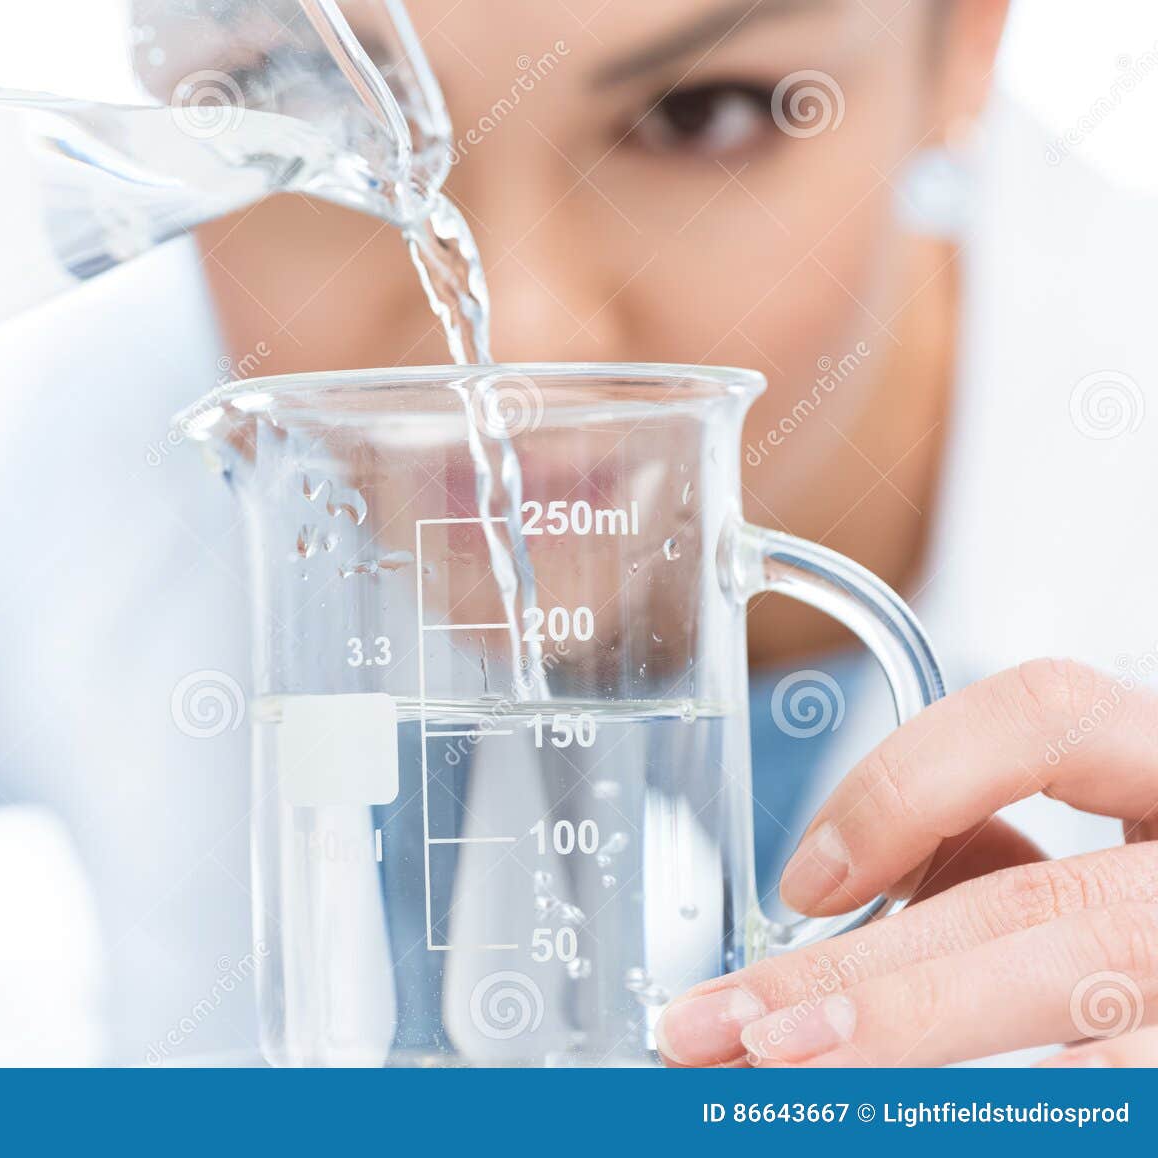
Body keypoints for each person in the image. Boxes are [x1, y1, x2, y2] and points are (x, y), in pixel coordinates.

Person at [195, 0, 1158, 1065]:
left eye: (701, 114)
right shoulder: (37, 450)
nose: (517, 353)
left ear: (970, 38)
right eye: (318, 118)